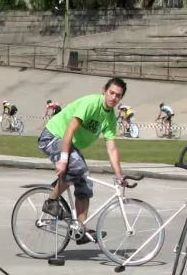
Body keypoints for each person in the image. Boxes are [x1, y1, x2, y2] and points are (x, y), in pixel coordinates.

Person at [38, 78, 127, 244]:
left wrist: (120, 175)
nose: (113, 98)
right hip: (53, 136)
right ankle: (51, 202)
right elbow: (69, 130)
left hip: (70, 145)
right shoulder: (91, 103)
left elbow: (112, 148)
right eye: (111, 92)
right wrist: (63, 160)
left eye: (118, 96)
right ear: (104, 91)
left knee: (85, 184)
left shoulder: (110, 119)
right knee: (77, 167)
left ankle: (80, 230)